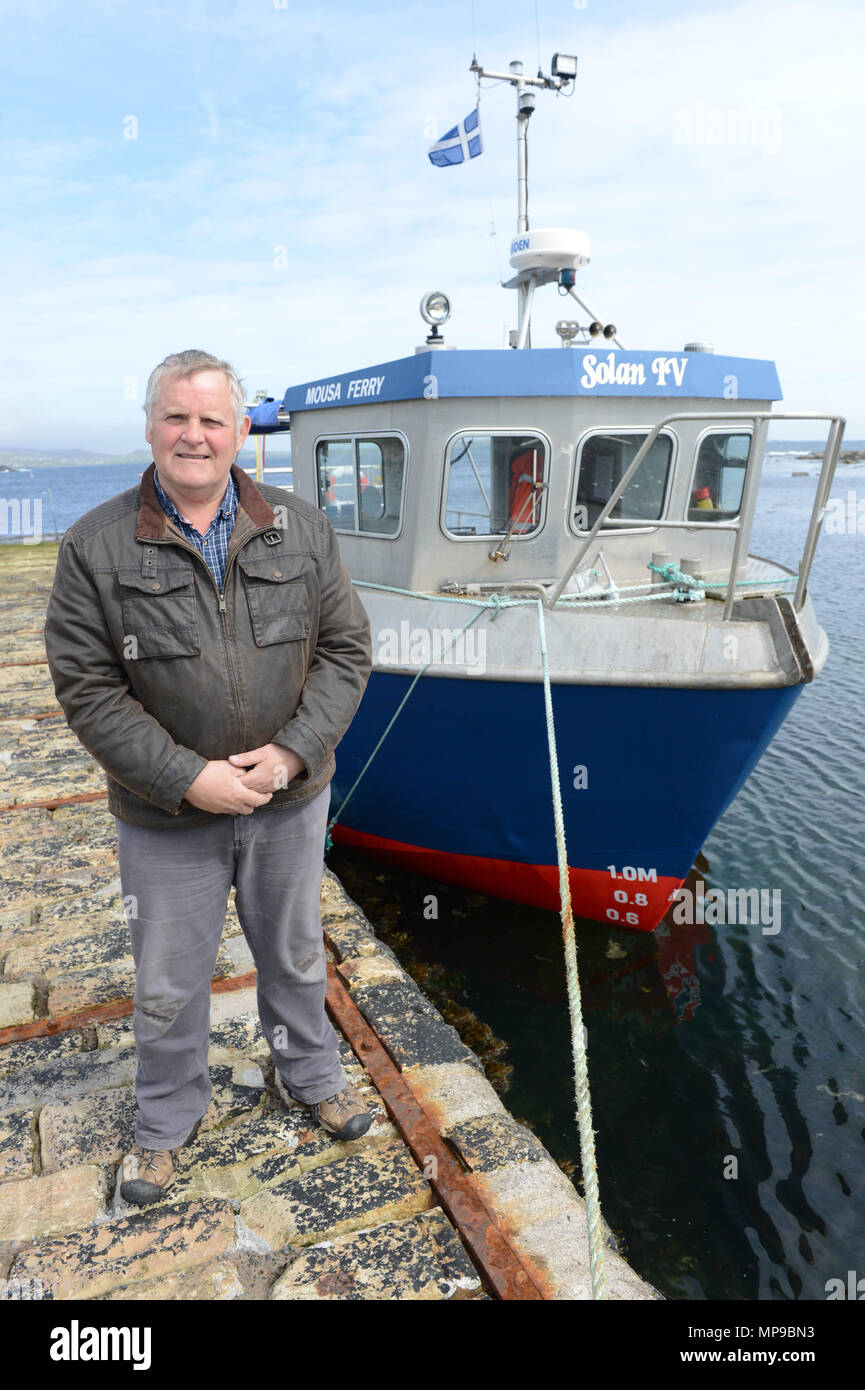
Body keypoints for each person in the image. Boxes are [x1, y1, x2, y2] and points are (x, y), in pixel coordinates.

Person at [44, 348, 372, 1206]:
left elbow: (345, 650)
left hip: (288, 801)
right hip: (165, 817)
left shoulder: (301, 528)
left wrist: (294, 750)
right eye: (177, 418)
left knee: (297, 955)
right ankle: (164, 1122)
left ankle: (310, 1076)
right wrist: (188, 778)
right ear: (151, 428)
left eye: (212, 419)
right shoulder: (94, 547)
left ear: (240, 431)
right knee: (167, 978)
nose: (195, 435)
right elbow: (88, 688)